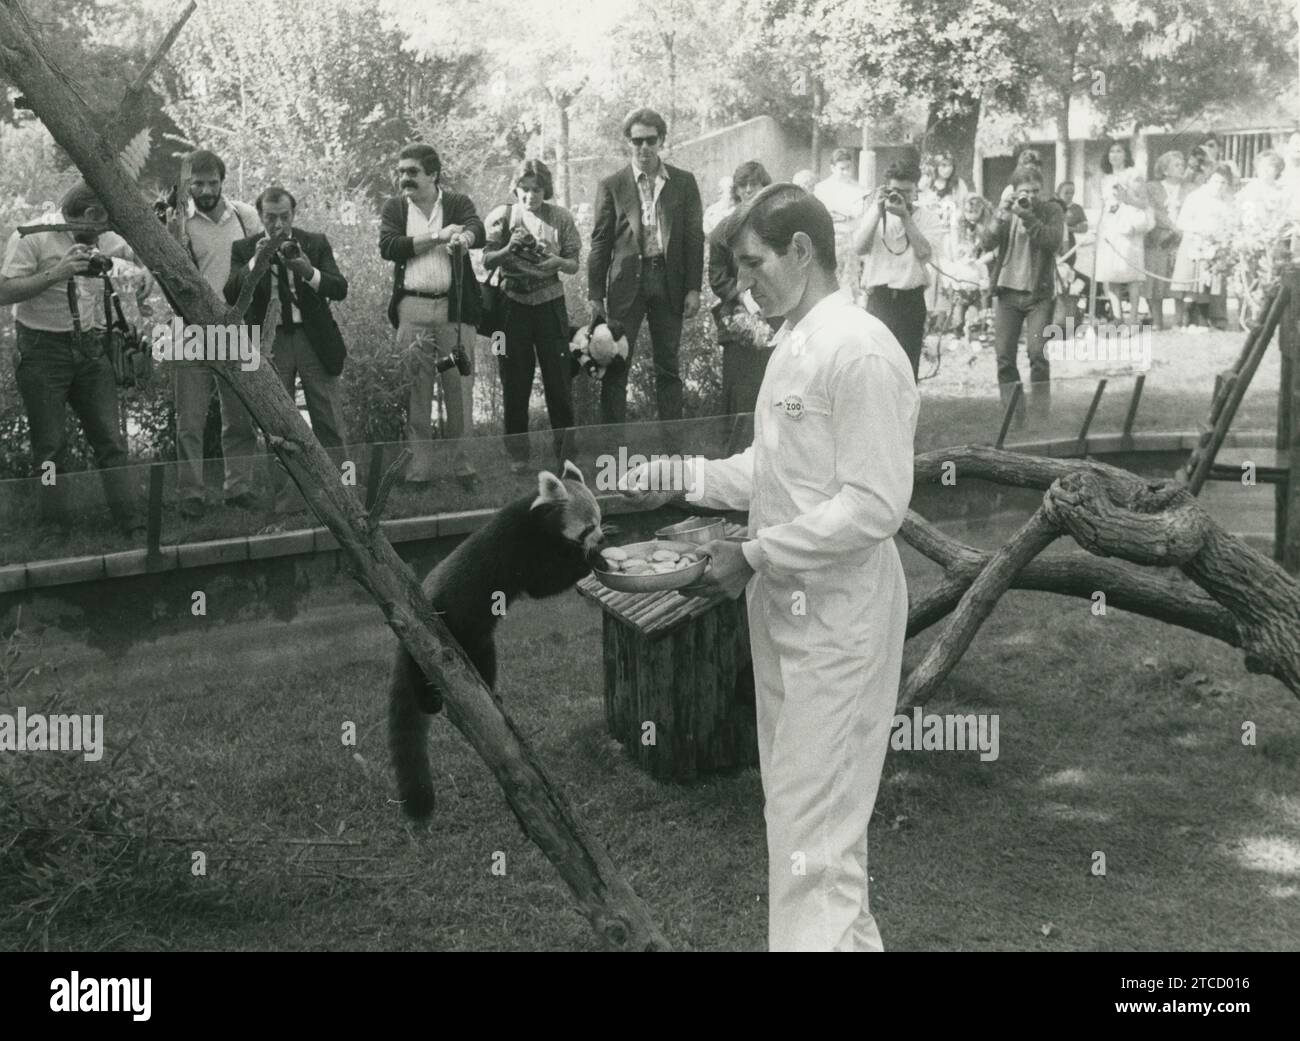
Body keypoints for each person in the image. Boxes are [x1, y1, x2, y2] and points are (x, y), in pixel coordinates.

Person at [620, 183, 918, 952]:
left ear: (802, 250)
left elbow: (874, 504)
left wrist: (751, 554)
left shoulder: (858, 350)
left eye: (752, 262)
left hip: (841, 623)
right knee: (803, 819)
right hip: (786, 614)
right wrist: (670, 476)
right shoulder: (796, 340)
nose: (741, 280)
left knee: (811, 828)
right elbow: (776, 474)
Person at [0, 181, 146, 538]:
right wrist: (57, 273)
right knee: (50, 446)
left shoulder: (104, 240)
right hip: (42, 349)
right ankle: (54, 524)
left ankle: (131, 519)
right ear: (91, 215)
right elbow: (3, 291)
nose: (106, 233)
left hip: (92, 349)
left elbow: (140, 258)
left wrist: (142, 277)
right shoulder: (33, 237)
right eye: (104, 223)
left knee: (111, 439)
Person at [223, 186, 350, 511]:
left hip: (313, 338)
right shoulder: (244, 247)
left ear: (293, 214)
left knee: (329, 419)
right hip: (270, 340)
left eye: (284, 217)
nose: (278, 225)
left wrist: (308, 271)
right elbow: (231, 292)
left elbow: (339, 288)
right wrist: (256, 261)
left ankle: (345, 492)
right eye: (270, 217)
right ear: (260, 216)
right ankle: (289, 499)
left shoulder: (314, 242)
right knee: (279, 423)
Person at [587, 107, 704, 432]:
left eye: (651, 140)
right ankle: (612, 450)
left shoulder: (683, 182)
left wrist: (693, 288)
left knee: (668, 367)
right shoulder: (612, 185)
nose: (644, 147)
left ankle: (672, 449)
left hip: (669, 283)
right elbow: (600, 242)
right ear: (628, 142)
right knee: (616, 364)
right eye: (637, 140)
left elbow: (695, 238)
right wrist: (596, 295)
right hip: (626, 287)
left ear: (662, 140)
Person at [380, 143, 485, 491]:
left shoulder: (456, 202)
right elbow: (389, 246)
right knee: (416, 390)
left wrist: (464, 238)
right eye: (401, 171)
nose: (404, 178)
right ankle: (419, 470)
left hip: (454, 311)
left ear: (433, 173)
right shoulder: (396, 207)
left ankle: (463, 467)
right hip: (412, 309)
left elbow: (476, 228)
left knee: (458, 388)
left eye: (412, 171)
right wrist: (437, 236)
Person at [174, 149, 263, 518]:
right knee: (189, 420)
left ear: (222, 181)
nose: (206, 189)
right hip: (187, 329)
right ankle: (191, 494)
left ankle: (239, 487)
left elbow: (261, 265)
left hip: (237, 327)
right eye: (199, 183)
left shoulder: (245, 215)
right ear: (187, 184)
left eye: (213, 182)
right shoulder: (177, 221)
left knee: (240, 416)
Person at [482, 159, 582, 474]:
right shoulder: (503, 216)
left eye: (536, 189)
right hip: (511, 306)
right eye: (524, 189)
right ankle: (518, 456)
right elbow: (485, 260)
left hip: (551, 304)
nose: (530, 196)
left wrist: (556, 262)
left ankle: (566, 456)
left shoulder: (561, 217)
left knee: (559, 381)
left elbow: (574, 263)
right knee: (514, 380)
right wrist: (508, 249)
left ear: (546, 189)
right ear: (516, 189)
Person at [983, 165, 1064, 424]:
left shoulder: (1051, 210)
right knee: (1004, 356)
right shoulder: (1007, 212)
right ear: (1013, 191)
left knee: (1037, 353)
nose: (1029, 196)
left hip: (1037, 294)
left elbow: (1052, 241)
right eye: (1023, 191)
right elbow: (986, 243)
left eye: (1035, 191)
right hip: (1008, 293)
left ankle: (1040, 415)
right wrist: (1001, 214)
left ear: (1042, 190)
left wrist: (1029, 217)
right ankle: (1014, 416)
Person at [708, 160, 780, 451]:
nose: (749, 190)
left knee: (776, 381)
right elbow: (716, 277)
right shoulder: (722, 231)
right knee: (741, 388)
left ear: (767, 187)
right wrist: (741, 295)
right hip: (739, 319)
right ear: (736, 190)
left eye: (755, 184)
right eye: (743, 185)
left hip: (776, 315)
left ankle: (776, 447)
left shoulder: (779, 228)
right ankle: (737, 452)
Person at [852, 159, 943, 380]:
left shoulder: (927, 217)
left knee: (907, 370)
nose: (901, 196)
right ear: (885, 189)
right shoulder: (874, 213)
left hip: (910, 300)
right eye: (895, 191)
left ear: (916, 191)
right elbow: (859, 248)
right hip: (879, 299)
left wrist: (905, 217)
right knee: (876, 367)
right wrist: (877, 209)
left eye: (907, 191)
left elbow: (925, 253)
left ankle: (905, 415)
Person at [1170, 162, 1238, 332]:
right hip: (1194, 245)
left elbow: (1231, 223)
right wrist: (1201, 231)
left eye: (1223, 183)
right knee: (1192, 286)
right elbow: (1182, 222)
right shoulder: (1195, 197)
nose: (1219, 186)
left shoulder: (1227, 201)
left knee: (1207, 287)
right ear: (1208, 181)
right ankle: (1186, 321)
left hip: (1215, 248)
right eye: (1216, 181)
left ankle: (1203, 321)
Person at [1095, 140, 1153, 324]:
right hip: (1110, 226)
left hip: (1128, 226)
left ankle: (1133, 318)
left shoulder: (1134, 175)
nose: (1115, 155)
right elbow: (1104, 205)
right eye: (1111, 151)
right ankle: (1117, 317)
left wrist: (1126, 198)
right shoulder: (1104, 178)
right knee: (1110, 274)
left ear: (1126, 155)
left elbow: (1144, 203)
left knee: (1131, 275)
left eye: (1119, 151)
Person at [814, 147, 868, 302]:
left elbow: (862, 218)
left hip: (851, 242)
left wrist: (847, 217)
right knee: (829, 284)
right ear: (832, 168)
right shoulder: (822, 189)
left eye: (848, 168)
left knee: (850, 285)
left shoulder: (859, 190)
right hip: (829, 241)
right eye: (842, 169)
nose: (846, 172)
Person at [1145, 151, 1189, 331]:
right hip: (1158, 238)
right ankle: (1157, 320)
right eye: (1177, 165)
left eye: (1182, 165)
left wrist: (1181, 229)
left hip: (1182, 238)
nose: (1182, 168)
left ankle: (1178, 321)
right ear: (1165, 169)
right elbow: (1153, 210)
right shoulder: (1152, 187)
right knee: (1156, 279)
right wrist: (1172, 227)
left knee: (1179, 278)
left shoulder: (1190, 188)